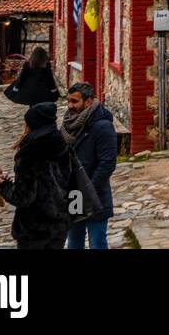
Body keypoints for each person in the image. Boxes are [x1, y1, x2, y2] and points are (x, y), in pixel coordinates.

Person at [0, 102, 73, 249]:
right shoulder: (62, 144)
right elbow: (66, 181)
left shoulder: (28, 153)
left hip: (34, 229)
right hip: (59, 224)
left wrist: (4, 186)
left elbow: (24, 197)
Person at [61, 82, 117, 249]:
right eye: (69, 101)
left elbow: (107, 163)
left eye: (74, 101)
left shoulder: (103, 126)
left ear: (88, 102)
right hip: (74, 195)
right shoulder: (69, 124)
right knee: (74, 242)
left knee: (97, 242)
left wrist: (89, 189)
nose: (70, 106)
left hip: (95, 196)